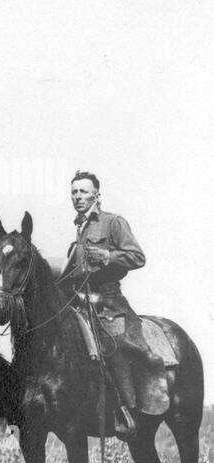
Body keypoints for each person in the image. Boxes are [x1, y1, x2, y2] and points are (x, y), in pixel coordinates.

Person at [63, 170, 153, 440]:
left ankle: (125, 412)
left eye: (83, 191)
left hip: (109, 302)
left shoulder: (113, 222)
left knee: (113, 348)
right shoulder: (78, 228)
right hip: (79, 301)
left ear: (96, 195)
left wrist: (108, 256)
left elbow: (137, 256)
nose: (78, 196)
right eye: (74, 192)